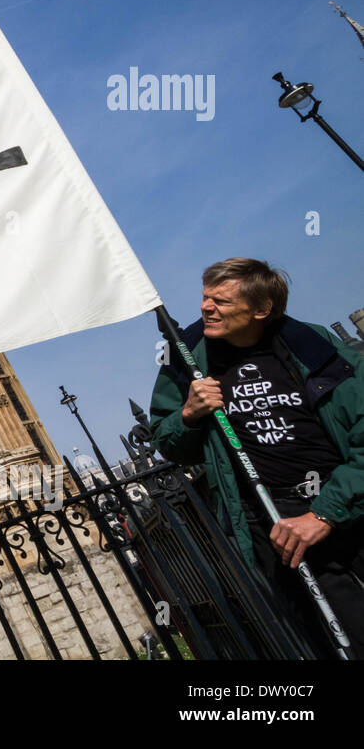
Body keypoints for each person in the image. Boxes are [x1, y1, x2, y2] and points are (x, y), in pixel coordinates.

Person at [149, 257, 364, 657]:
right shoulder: (186, 360)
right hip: (271, 520)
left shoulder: (310, 344)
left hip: (344, 501)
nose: (205, 308)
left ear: (261, 309)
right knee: (332, 639)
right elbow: (167, 441)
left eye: (222, 302)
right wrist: (189, 415)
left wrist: (324, 514)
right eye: (205, 297)